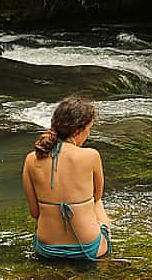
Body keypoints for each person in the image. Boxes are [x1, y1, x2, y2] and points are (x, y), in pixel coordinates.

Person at [23, 96, 112, 260]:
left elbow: (35, 213)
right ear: (78, 130)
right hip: (89, 249)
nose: (88, 134)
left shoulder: (31, 159)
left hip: (47, 249)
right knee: (97, 202)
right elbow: (97, 198)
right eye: (89, 129)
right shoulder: (91, 156)